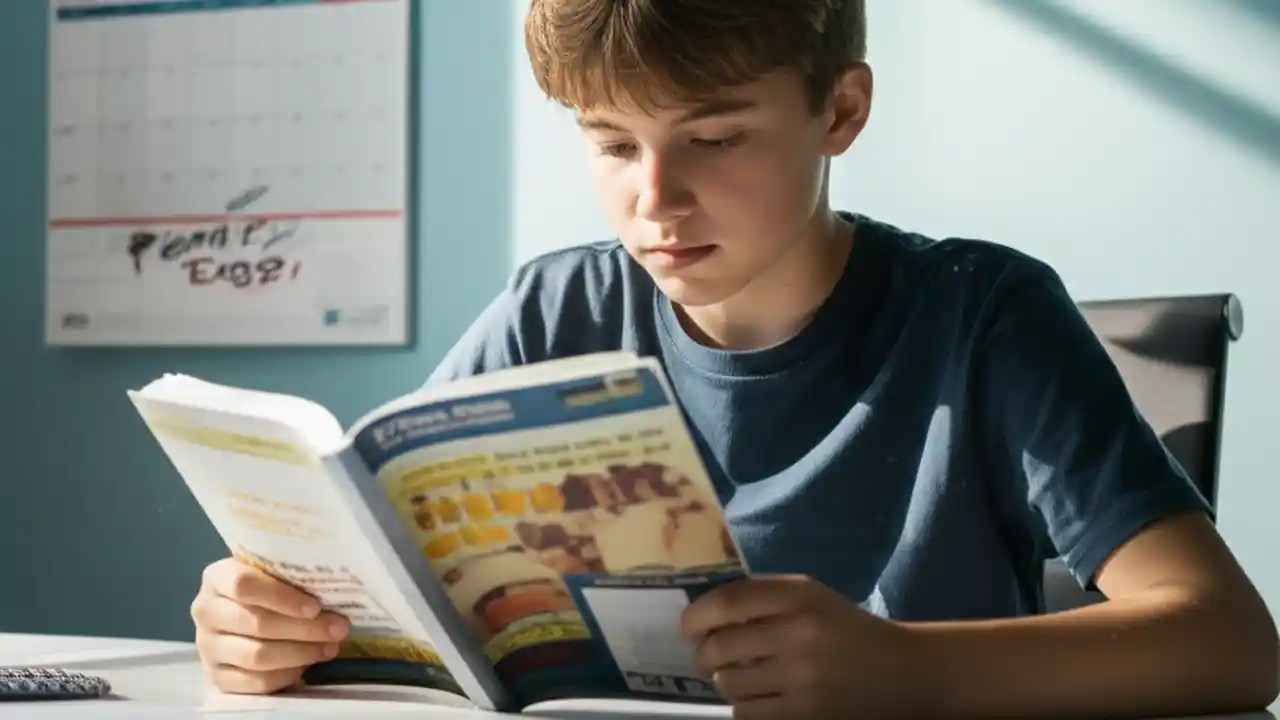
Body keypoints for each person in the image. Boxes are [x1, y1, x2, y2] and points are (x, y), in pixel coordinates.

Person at [188, 1, 1278, 717]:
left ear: (839, 109)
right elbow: (395, 587)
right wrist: (276, 623)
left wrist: (904, 671)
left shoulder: (980, 316)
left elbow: (1230, 642)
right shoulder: (553, 308)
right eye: (611, 143)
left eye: (712, 138)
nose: (652, 201)